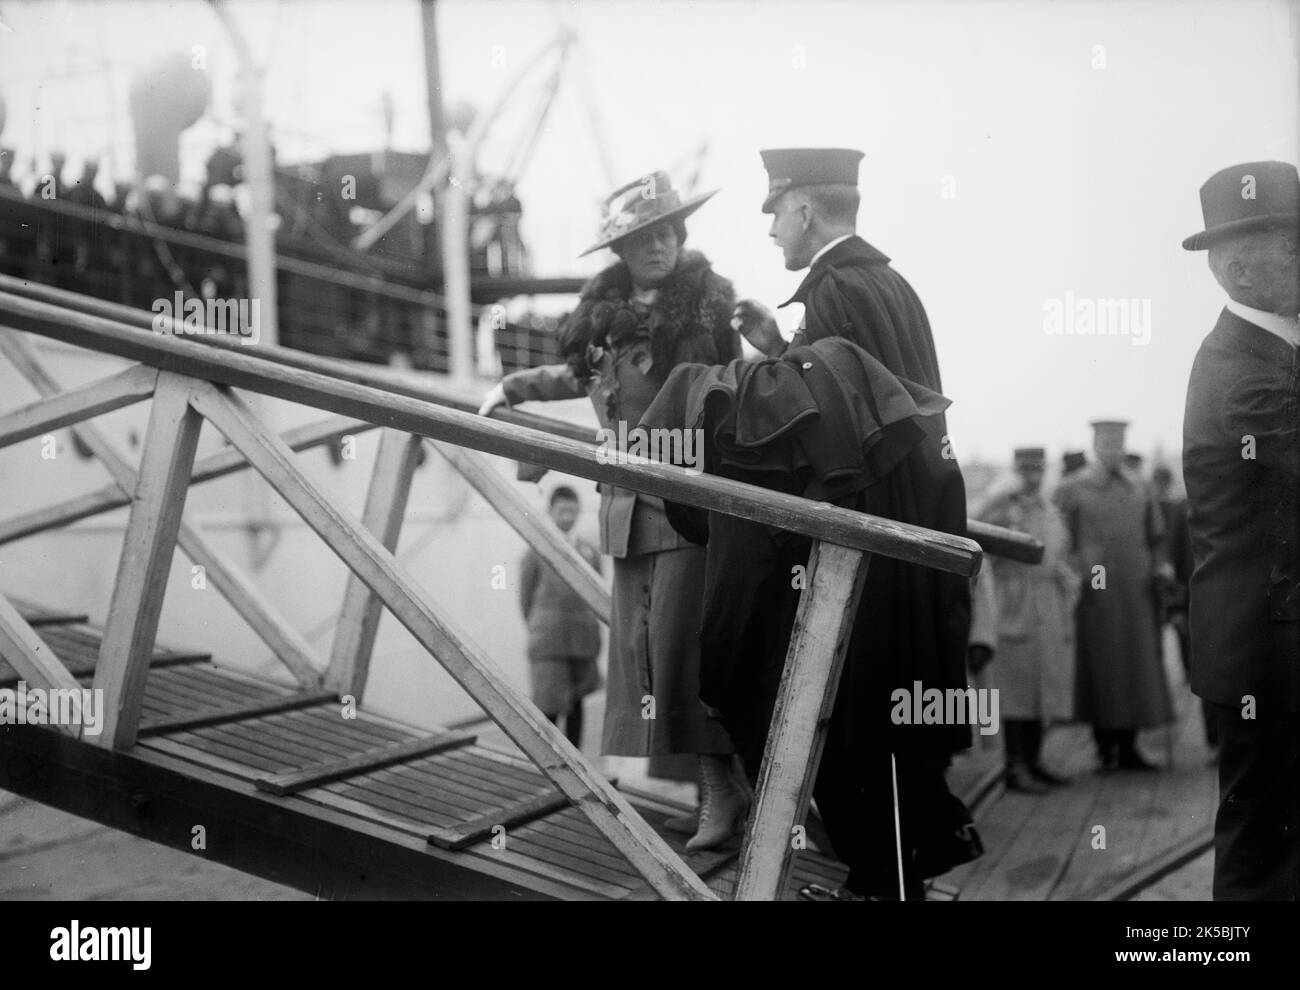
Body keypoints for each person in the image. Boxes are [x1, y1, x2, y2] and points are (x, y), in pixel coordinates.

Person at [718, 147, 978, 899]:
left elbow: (827, 436)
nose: (771, 230)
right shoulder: (892, 286)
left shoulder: (833, 292)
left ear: (804, 209)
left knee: (854, 705)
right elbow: (875, 402)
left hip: (864, 538)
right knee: (899, 708)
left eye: (775, 212)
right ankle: (899, 876)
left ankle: (882, 884)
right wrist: (783, 349)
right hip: (916, 523)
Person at [479, 171, 744, 851]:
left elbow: (732, 393)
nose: (657, 244)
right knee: (644, 659)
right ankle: (716, 792)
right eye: (640, 236)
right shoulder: (604, 319)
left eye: (665, 231)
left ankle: (725, 794)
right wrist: (514, 386)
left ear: (680, 235)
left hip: (686, 507)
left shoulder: (707, 314)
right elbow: (581, 378)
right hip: (624, 513)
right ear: (620, 250)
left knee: (686, 652)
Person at [1181, 160, 1299, 900]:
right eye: (1296, 246)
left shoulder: (1268, 354)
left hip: (1271, 646)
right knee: (1264, 860)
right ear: (1239, 269)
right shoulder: (1244, 374)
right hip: (1268, 658)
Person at [1054, 420, 1173, 771]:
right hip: (1096, 593)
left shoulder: (1141, 486)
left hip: (1136, 592)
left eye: (1118, 442)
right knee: (1101, 666)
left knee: (1136, 667)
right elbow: (1062, 539)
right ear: (1094, 445)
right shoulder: (1073, 488)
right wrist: (1076, 573)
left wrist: (1161, 567)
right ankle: (1104, 748)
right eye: (1106, 442)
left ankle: (1129, 746)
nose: (1112, 449)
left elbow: (1157, 538)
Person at [975, 448, 1078, 793]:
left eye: (1039, 468)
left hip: (1046, 602)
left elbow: (1055, 551)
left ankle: (1035, 761)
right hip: (1013, 599)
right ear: (1016, 470)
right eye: (1027, 469)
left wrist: (1066, 577)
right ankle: (1015, 766)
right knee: (1014, 690)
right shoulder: (1002, 504)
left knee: (1042, 689)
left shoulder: (1046, 507)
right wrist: (1001, 495)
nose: (1034, 475)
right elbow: (977, 534)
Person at [517, 486, 603, 748]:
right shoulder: (535, 550)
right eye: (562, 510)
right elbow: (525, 599)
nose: (568, 516)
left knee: (577, 704)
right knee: (549, 705)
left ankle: (576, 766)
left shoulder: (590, 551)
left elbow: (596, 593)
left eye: (573, 511)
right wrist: (541, 628)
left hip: (582, 641)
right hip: (549, 642)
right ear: (550, 511)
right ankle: (549, 764)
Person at [1152, 463, 1216, 754]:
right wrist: (1176, 608)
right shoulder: (1184, 509)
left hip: (1244, 609)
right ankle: (1217, 742)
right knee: (1209, 676)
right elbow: (1175, 564)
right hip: (1200, 606)